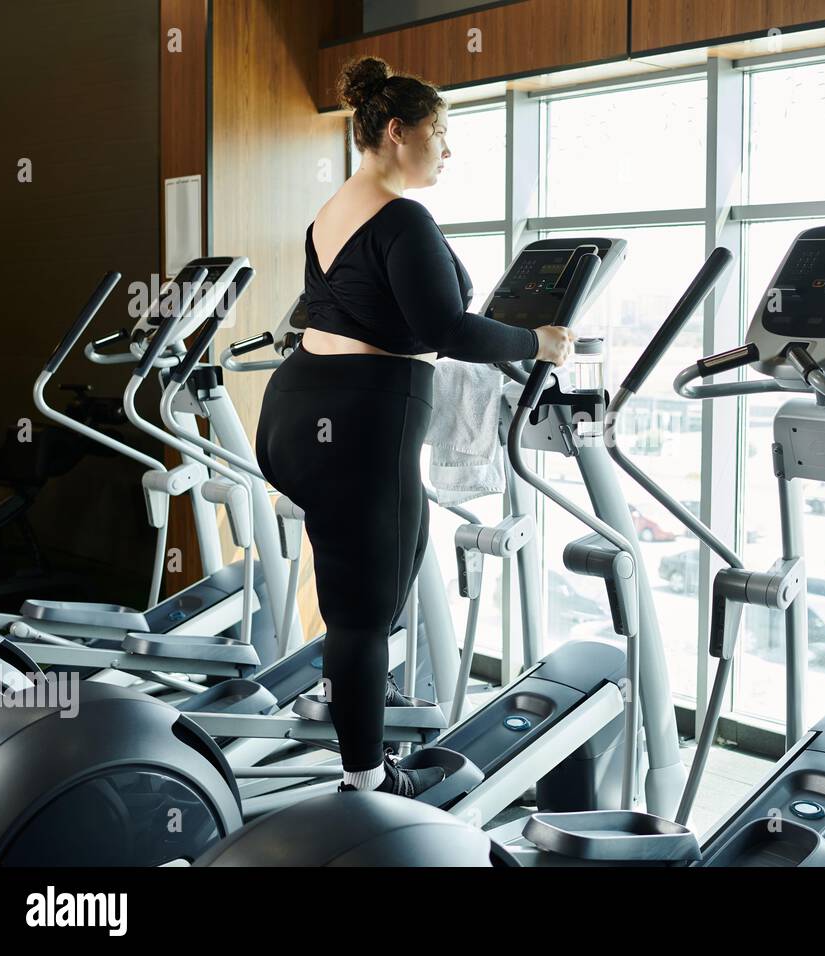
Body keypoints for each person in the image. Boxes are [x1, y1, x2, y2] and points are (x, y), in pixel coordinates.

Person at [256, 56, 575, 798]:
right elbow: (449, 328)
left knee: (356, 593)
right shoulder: (403, 217)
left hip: (294, 412)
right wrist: (539, 343)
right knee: (364, 613)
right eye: (440, 133)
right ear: (397, 132)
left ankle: (353, 719)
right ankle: (367, 784)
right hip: (362, 418)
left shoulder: (331, 213)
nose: (448, 149)